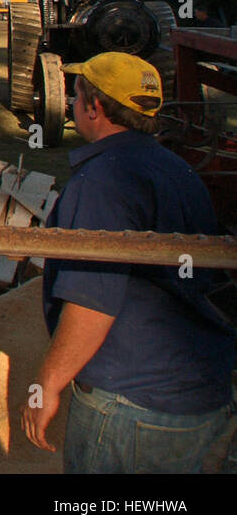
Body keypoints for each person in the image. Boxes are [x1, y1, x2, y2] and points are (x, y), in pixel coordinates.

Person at [21, 52, 235, 473]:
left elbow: (92, 303)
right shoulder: (177, 168)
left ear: (94, 107)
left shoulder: (101, 182)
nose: (72, 103)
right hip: (199, 392)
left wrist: (45, 384)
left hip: (131, 406)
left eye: (77, 94)